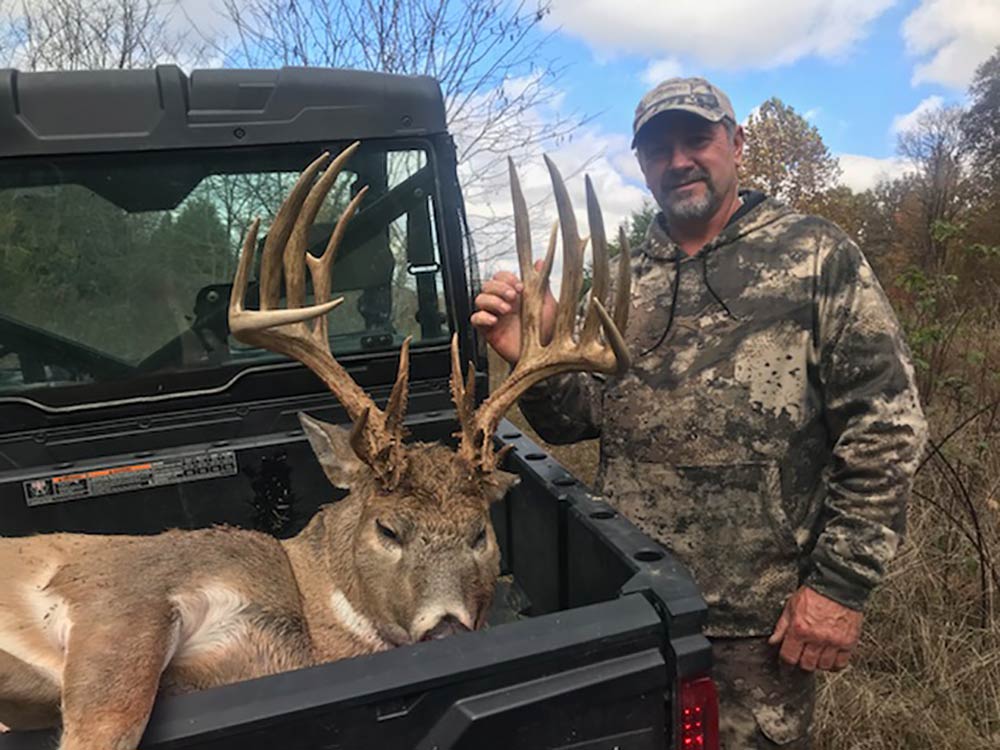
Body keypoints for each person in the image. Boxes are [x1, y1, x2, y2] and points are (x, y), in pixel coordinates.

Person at [471, 76, 928, 748]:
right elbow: (580, 420)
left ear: (737, 145)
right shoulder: (626, 282)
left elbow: (886, 430)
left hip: (757, 628)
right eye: (658, 148)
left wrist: (838, 588)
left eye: (697, 138)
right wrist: (530, 358)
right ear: (642, 164)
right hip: (629, 608)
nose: (678, 159)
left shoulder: (815, 256)